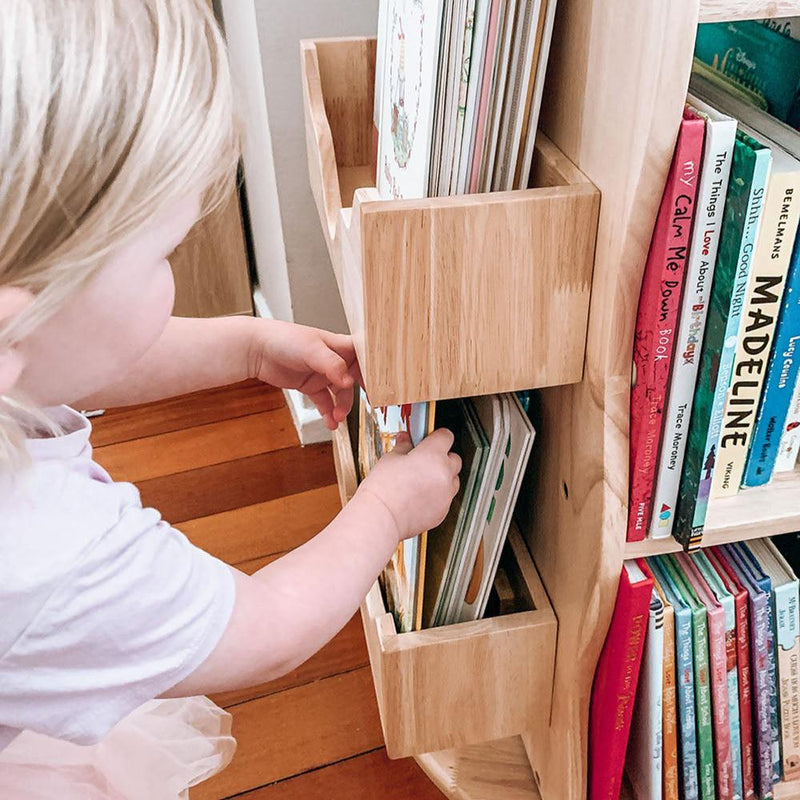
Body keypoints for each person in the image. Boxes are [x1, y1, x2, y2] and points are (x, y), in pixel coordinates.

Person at [0, 2, 460, 796]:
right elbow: (265, 629)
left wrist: (246, 346)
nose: (170, 274)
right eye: (163, 256)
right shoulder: (47, 560)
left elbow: (61, 369)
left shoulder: (21, 359)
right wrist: (385, 509)